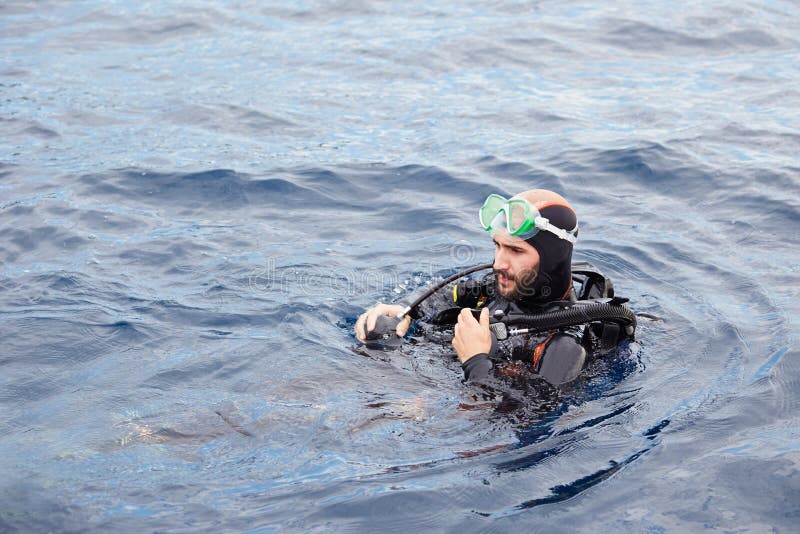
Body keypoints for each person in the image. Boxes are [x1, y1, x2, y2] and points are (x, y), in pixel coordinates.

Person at [355, 189, 631, 386]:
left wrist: (475, 360)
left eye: (515, 250)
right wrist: (406, 310)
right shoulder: (497, 287)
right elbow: (445, 295)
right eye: (497, 246)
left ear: (552, 258)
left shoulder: (565, 348)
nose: (499, 263)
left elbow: (518, 424)